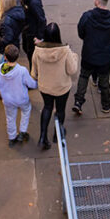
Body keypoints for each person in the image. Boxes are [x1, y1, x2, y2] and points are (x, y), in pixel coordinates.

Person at [72, 0, 110, 116]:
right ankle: (106, 103)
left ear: (97, 1)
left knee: (83, 76)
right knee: (104, 81)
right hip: (104, 56)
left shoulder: (87, 16)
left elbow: (80, 32)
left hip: (89, 53)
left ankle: (78, 101)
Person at [31, 22, 80, 150]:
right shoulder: (65, 51)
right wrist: (74, 56)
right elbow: (72, 70)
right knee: (60, 110)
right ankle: (56, 135)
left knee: (47, 107)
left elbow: (34, 73)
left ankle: (42, 137)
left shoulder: (37, 51)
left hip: (45, 87)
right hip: (61, 87)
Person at [0, 44, 37, 147]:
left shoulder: (0, 68)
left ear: (5, 57)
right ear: (18, 56)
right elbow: (31, 84)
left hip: (8, 100)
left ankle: (12, 137)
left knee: (10, 117)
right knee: (26, 110)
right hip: (21, 98)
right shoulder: (22, 70)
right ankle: (22, 131)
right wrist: (37, 83)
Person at [10, 0, 46, 69]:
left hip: (32, 32)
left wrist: (39, 37)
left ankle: (33, 74)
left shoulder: (34, 3)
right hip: (27, 28)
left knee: (31, 55)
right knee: (26, 48)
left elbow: (42, 19)